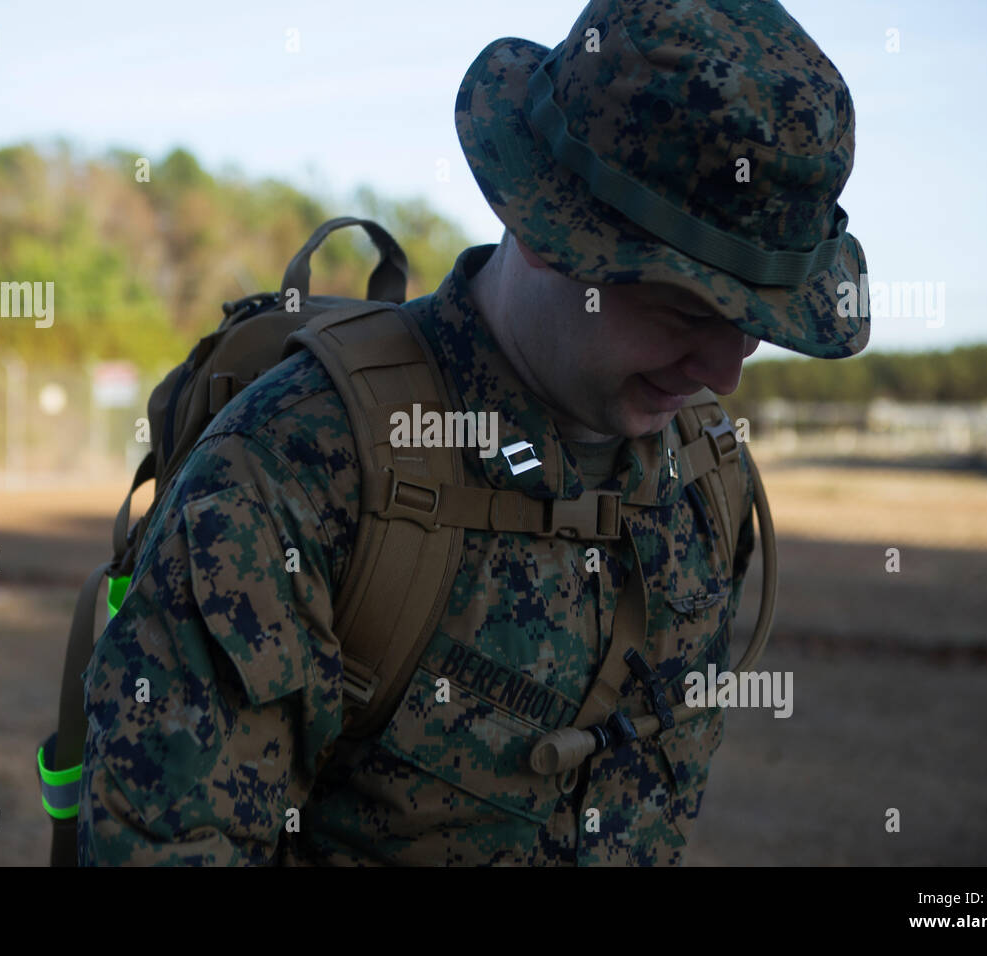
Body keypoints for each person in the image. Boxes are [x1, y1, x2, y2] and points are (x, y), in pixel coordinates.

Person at [79, 0, 869, 866]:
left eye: (758, 324)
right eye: (686, 309)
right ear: (549, 226)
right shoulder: (296, 467)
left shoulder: (705, 478)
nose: (723, 374)